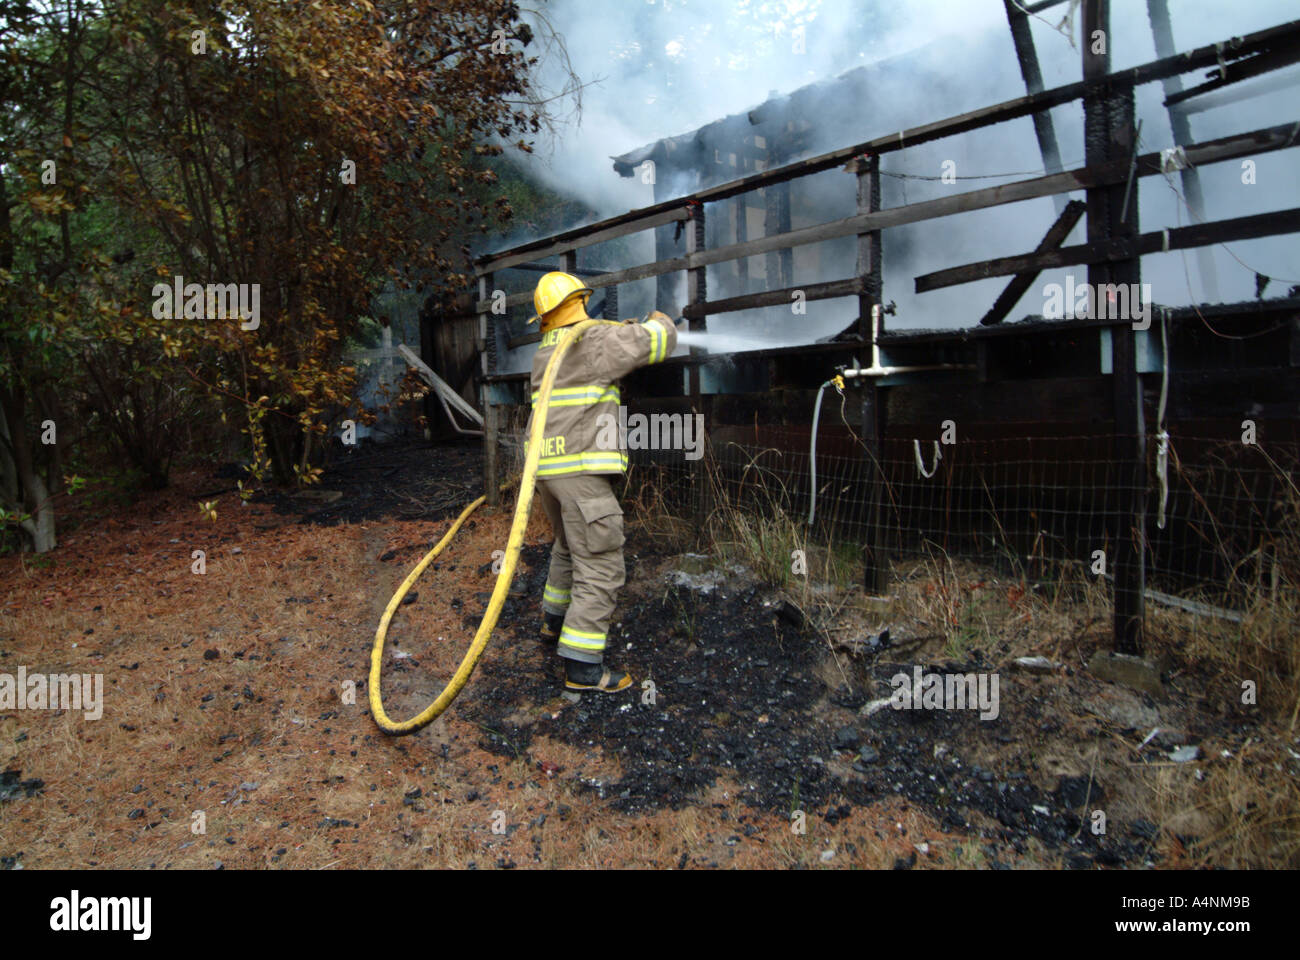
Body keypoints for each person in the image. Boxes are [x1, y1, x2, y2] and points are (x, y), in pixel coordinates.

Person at [524, 271, 679, 692]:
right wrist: (660, 319)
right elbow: (657, 342)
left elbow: (611, 347)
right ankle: (583, 667)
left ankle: (552, 623)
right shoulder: (592, 342)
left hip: (549, 473)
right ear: (581, 302)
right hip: (582, 474)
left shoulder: (545, 352)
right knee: (601, 564)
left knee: (568, 547)